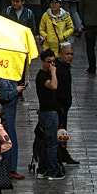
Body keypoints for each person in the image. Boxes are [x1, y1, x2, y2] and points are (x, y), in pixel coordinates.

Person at [34, 50, 66, 179]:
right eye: (49, 62)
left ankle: (42, 169)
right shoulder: (43, 76)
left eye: (54, 62)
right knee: (52, 143)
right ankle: (52, 171)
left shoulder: (45, 74)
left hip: (48, 112)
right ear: (42, 62)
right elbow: (53, 86)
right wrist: (53, 72)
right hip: (48, 114)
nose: (52, 64)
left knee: (47, 143)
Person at [0, 72, 27, 181]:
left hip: (10, 114)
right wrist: (16, 91)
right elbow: (4, 96)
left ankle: (11, 168)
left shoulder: (11, 79)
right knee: (9, 142)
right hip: (7, 115)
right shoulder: (4, 81)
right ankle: (9, 169)